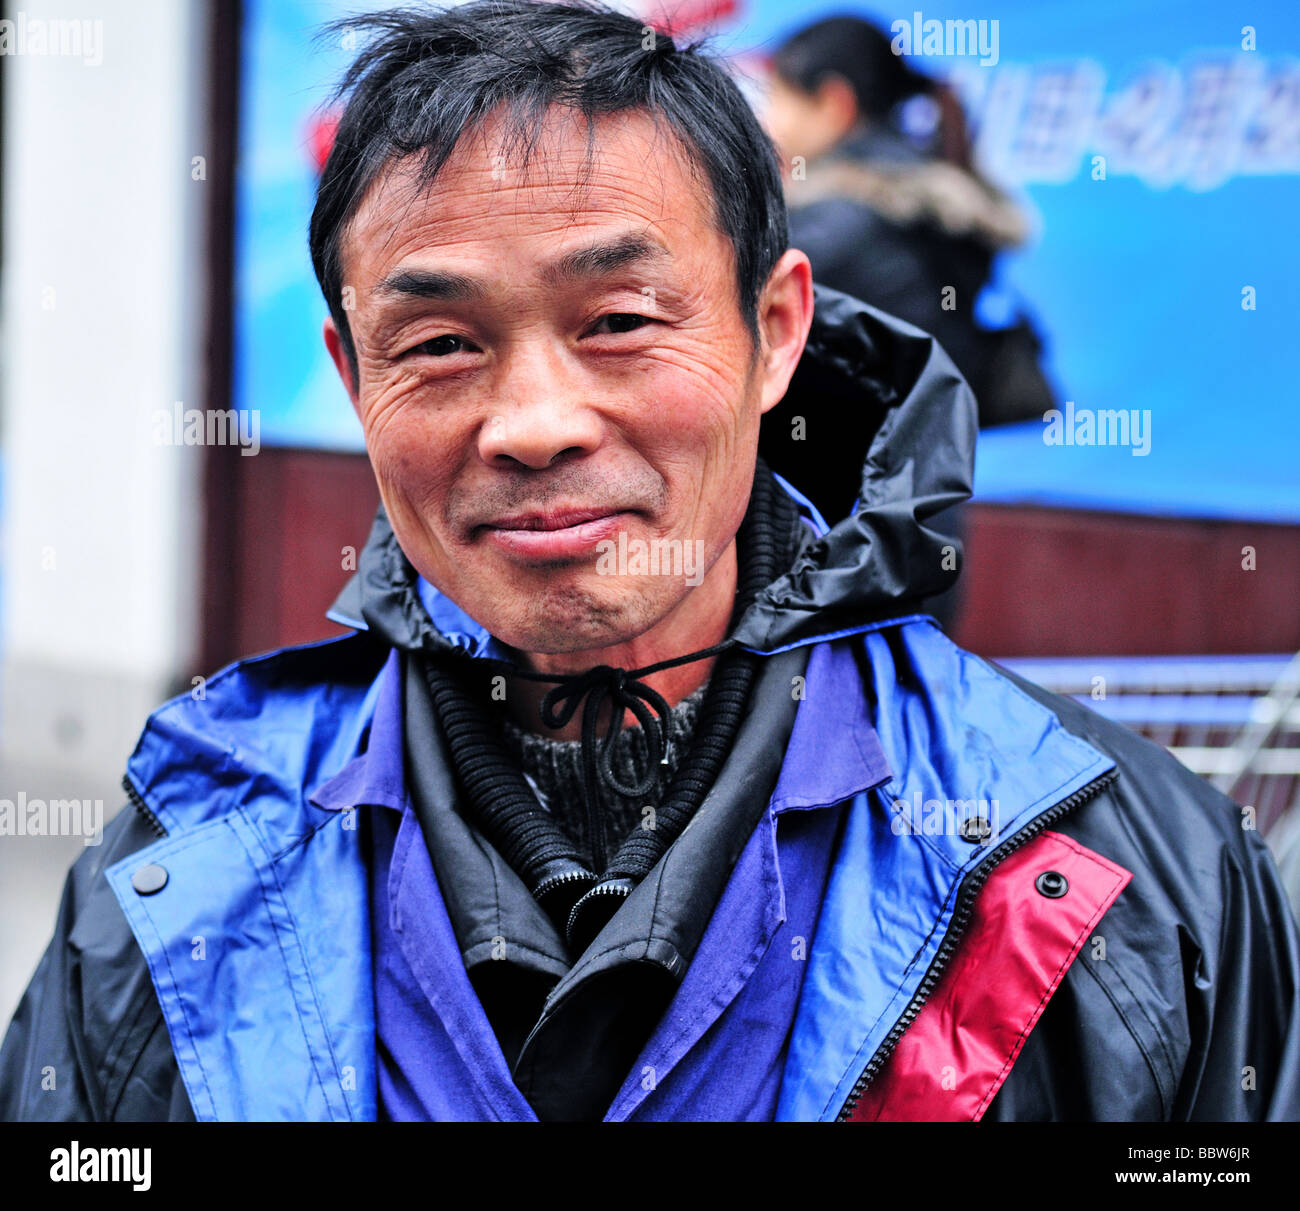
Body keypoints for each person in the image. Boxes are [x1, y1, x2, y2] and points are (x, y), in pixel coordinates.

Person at [2, 0, 1297, 1123]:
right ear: (353, 380)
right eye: (441, 344)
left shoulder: (1127, 887)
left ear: (776, 330)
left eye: (618, 320)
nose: (535, 424)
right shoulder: (177, 885)